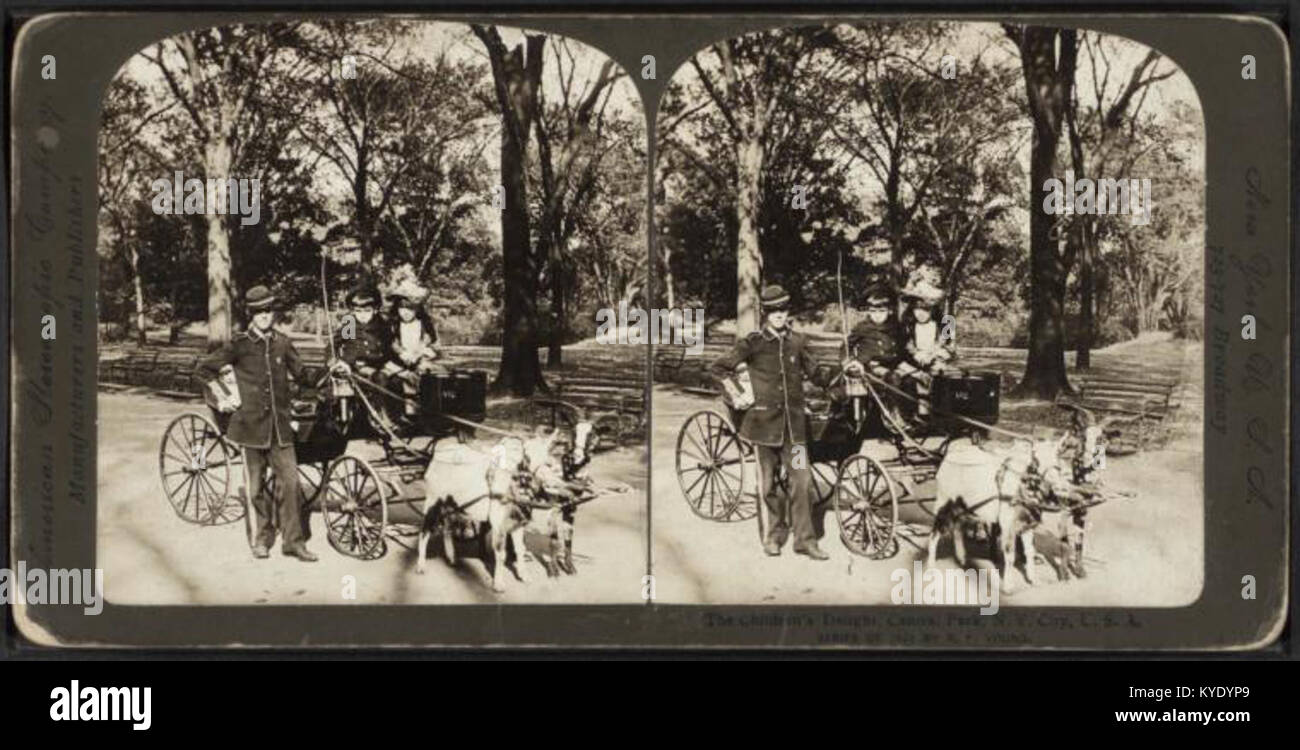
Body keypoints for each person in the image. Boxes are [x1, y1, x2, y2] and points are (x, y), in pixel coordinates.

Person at [196, 285, 319, 562]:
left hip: (281, 429)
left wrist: (328, 370)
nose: (264, 316)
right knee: (254, 489)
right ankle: (261, 538)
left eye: (268, 310)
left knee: (291, 483)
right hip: (250, 429)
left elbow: (303, 376)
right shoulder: (239, 345)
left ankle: (293, 543)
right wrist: (223, 396)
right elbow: (203, 370)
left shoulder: (283, 343)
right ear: (251, 314)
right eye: (258, 312)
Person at [710, 284, 831, 560]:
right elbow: (718, 368)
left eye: (783, 310)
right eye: (774, 311)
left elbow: (817, 374)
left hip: (796, 432)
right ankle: (774, 536)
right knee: (768, 487)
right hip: (763, 429)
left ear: (789, 312)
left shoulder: (798, 342)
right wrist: (737, 395)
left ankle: (805, 541)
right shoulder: (753, 343)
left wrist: (842, 375)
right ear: (766, 313)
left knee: (802, 481)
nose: (779, 315)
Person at [333, 285, 398, 424]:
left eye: (367, 311)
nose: (362, 315)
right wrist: (336, 362)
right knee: (380, 378)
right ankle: (381, 417)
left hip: (381, 364)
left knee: (399, 379)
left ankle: (398, 415)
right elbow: (335, 344)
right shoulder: (350, 323)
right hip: (358, 365)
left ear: (375, 310)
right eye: (358, 311)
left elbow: (389, 346)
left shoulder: (382, 324)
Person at [900, 278, 957, 419]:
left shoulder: (947, 322)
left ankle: (939, 416)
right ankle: (913, 416)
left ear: (933, 308)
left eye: (925, 309)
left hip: (938, 362)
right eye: (917, 308)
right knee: (907, 380)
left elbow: (950, 348)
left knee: (941, 379)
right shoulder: (908, 325)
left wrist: (934, 355)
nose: (920, 313)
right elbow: (905, 346)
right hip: (915, 362)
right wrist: (917, 355)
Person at [385, 289, 442, 421]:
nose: (405, 313)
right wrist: (402, 353)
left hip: (420, 362)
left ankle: (430, 415)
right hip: (398, 364)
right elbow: (391, 345)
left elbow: (432, 345)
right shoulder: (393, 326)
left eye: (409, 309)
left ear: (417, 310)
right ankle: (399, 417)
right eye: (401, 308)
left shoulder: (424, 325)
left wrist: (422, 352)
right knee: (395, 382)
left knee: (431, 378)